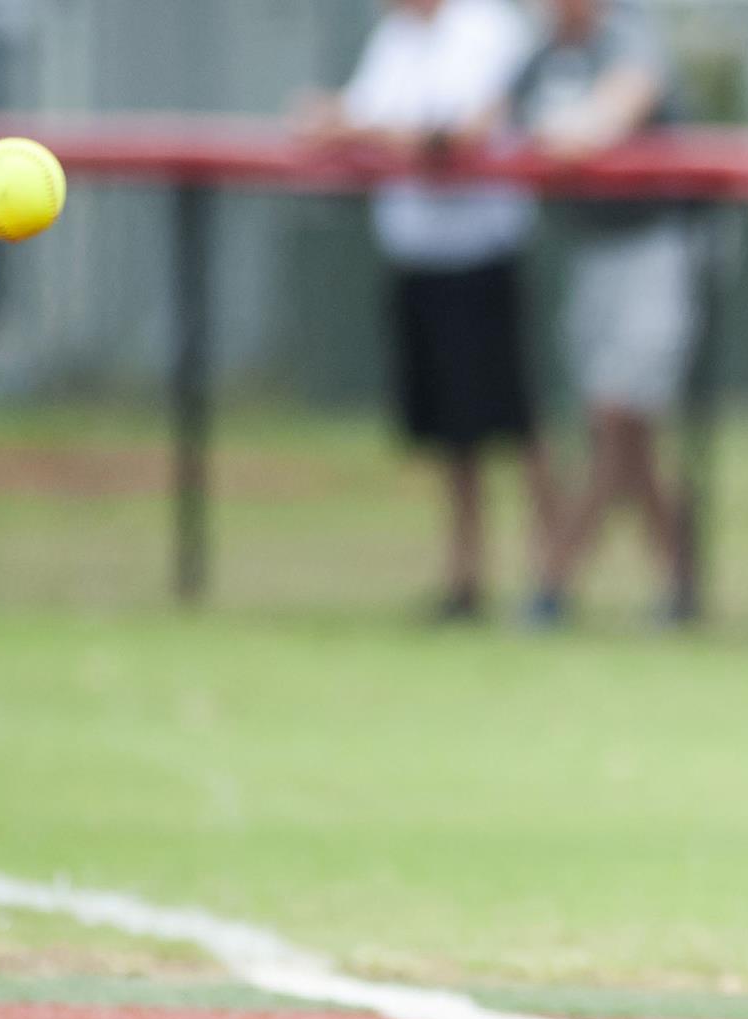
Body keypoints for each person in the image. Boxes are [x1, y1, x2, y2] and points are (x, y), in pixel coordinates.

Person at [295, 0, 555, 623]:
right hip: (418, 260)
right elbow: (352, 123)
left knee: (519, 427)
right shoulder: (393, 36)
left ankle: (550, 580)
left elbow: (457, 136)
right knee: (450, 434)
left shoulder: (488, 28)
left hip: (482, 257)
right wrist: (349, 125)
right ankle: (465, 582)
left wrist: (358, 128)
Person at [506, 0, 700, 628]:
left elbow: (608, 117)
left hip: (655, 248)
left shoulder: (629, 40)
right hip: (590, 252)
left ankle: (553, 579)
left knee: (615, 414)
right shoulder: (536, 57)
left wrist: (563, 134)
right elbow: (498, 124)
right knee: (628, 431)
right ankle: (680, 582)